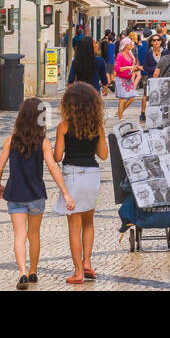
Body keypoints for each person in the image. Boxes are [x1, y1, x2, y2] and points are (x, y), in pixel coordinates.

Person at [0, 98, 75, 290]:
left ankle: (21, 272)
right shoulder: (43, 142)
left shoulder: (11, 140)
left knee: (19, 235)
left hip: (14, 194)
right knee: (34, 235)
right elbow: (54, 168)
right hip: (36, 194)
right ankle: (33, 270)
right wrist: (66, 193)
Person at [53, 82, 108, 284]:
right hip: (92, 175)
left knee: (74, 226)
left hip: (72, 176)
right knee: (89, 222)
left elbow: (58, 157)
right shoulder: (97, 126)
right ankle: (87, 263)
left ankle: (77, 272)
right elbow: (103, 155)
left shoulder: (64, 126)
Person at [112, 39, 141, 121]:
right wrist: (128, 67)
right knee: (122, 99)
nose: (131, 45)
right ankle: (120, 117)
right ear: (125, 45)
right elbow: (117, 68)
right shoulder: (120, 55)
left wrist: (134, 69)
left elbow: (132, 64)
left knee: (132, 98)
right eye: (129, 44)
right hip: (121, 79)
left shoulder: (129, 54)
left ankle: (119, 112)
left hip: (128, 79)